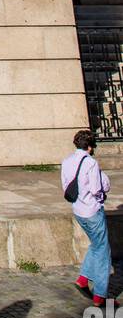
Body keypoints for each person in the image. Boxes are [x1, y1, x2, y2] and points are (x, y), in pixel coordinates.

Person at [62, 129, 112, 306]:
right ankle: (100, 296)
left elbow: (66, 186)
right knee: (104, 252)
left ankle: (83, 279)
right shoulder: (90, 163)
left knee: (97, 245)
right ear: (90, 147)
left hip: (78, 209)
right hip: (92, 210)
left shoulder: (66, 161)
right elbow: (96, 189)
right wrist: (100, 199)